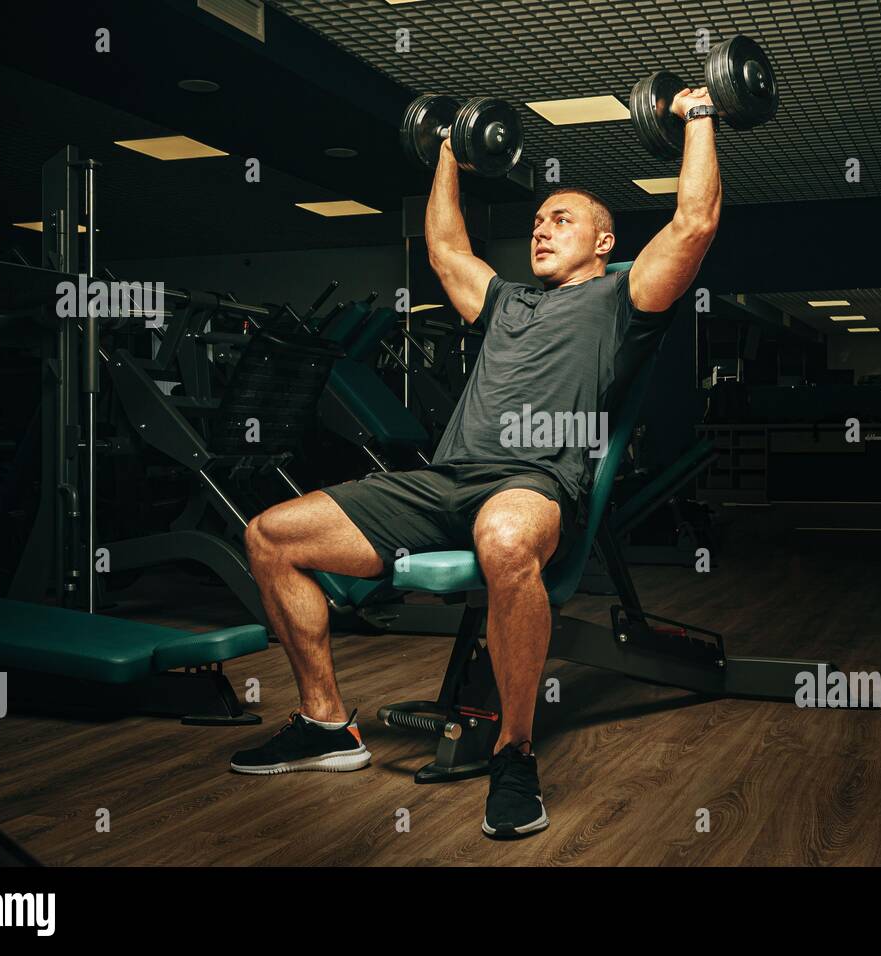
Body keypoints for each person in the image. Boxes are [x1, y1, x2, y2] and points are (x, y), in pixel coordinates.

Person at [229, 83, 723, 839]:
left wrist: (698, 117)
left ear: (604, 242)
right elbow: (445, 248)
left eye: (563, 219)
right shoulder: (507, 303)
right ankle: (327, 725)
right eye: (535, 220)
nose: (542, 228)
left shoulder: (624, 305)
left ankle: (514, 753)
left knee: (503, 539)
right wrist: (451, 153)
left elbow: (694, 222)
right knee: (270, 536)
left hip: (533, 483)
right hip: (440, 481)